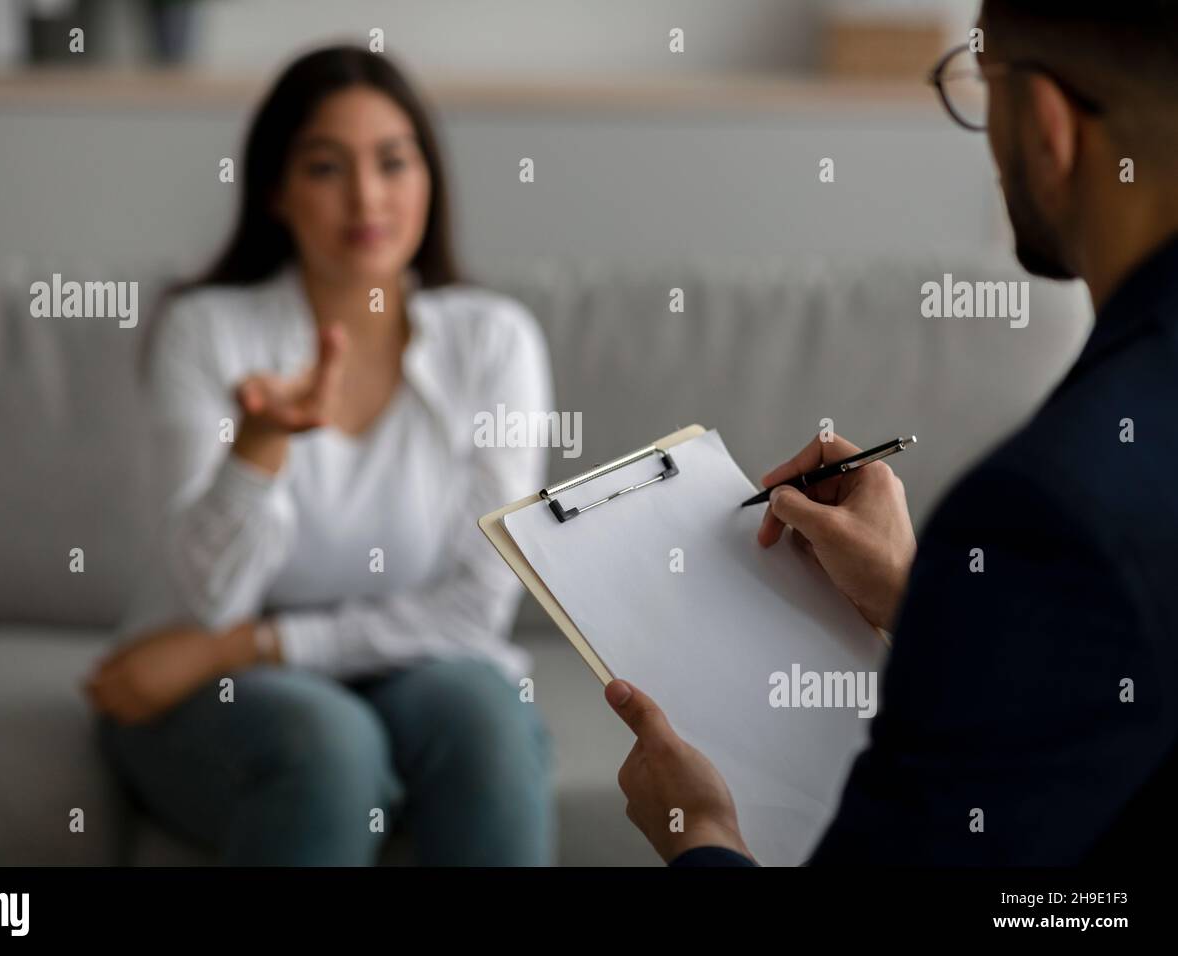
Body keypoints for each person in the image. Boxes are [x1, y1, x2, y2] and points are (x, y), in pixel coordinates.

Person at [607, 0, 1178, 866]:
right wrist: (921, 600)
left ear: (1051, 128)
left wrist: (703, 837)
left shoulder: (1045, 508)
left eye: (982, 92)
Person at [83, 46, 556, 866]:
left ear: (429, 180)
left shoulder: (494, 340)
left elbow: (477, 606)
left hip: (392, 668)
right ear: (276, 191)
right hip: (200, 688)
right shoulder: (206, 330)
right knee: (330, 743)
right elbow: (207, 600)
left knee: (483, 715)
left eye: (393, 162)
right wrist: (259, 445)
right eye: (326, 167)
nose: (367, 197)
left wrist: (249, 646)